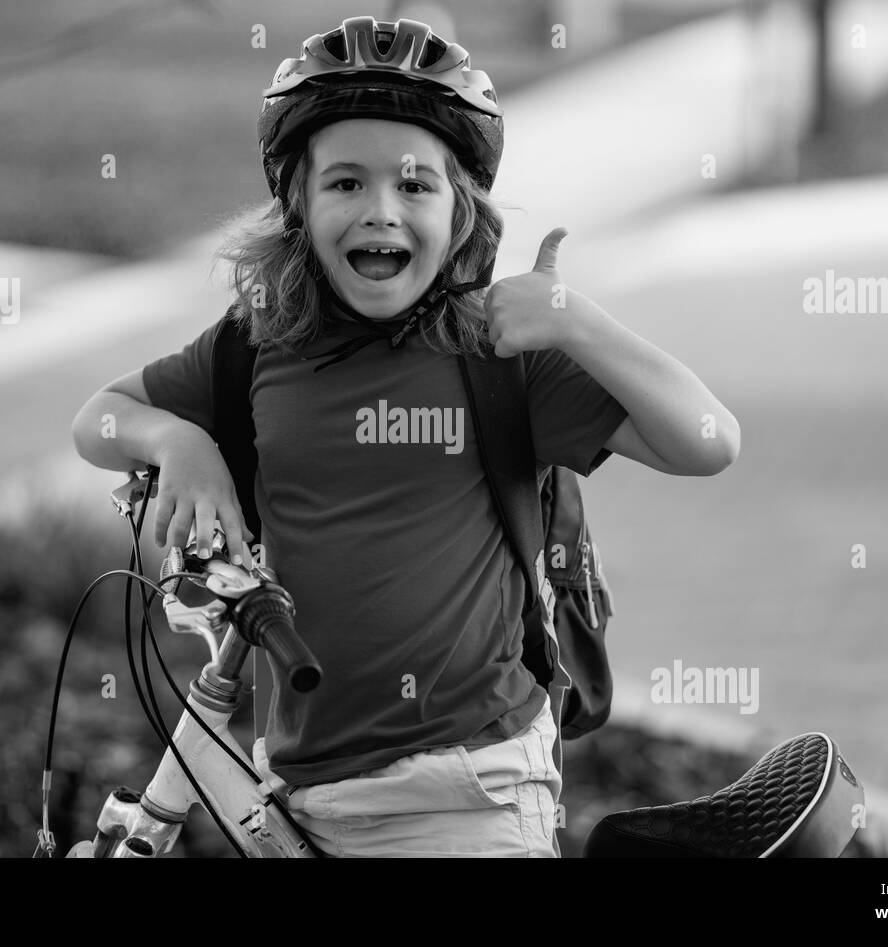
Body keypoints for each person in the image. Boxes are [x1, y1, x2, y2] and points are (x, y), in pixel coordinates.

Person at [72, 17, 740, 857]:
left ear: (461, 210)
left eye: (415, 185)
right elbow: (99, 419)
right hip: (298, 788)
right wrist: (180, 442)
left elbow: (708, 440)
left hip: (470, 789)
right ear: (299, 206)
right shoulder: (259, 345)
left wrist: (577, 321)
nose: (380, 210)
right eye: (345, 183)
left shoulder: (501, 353)